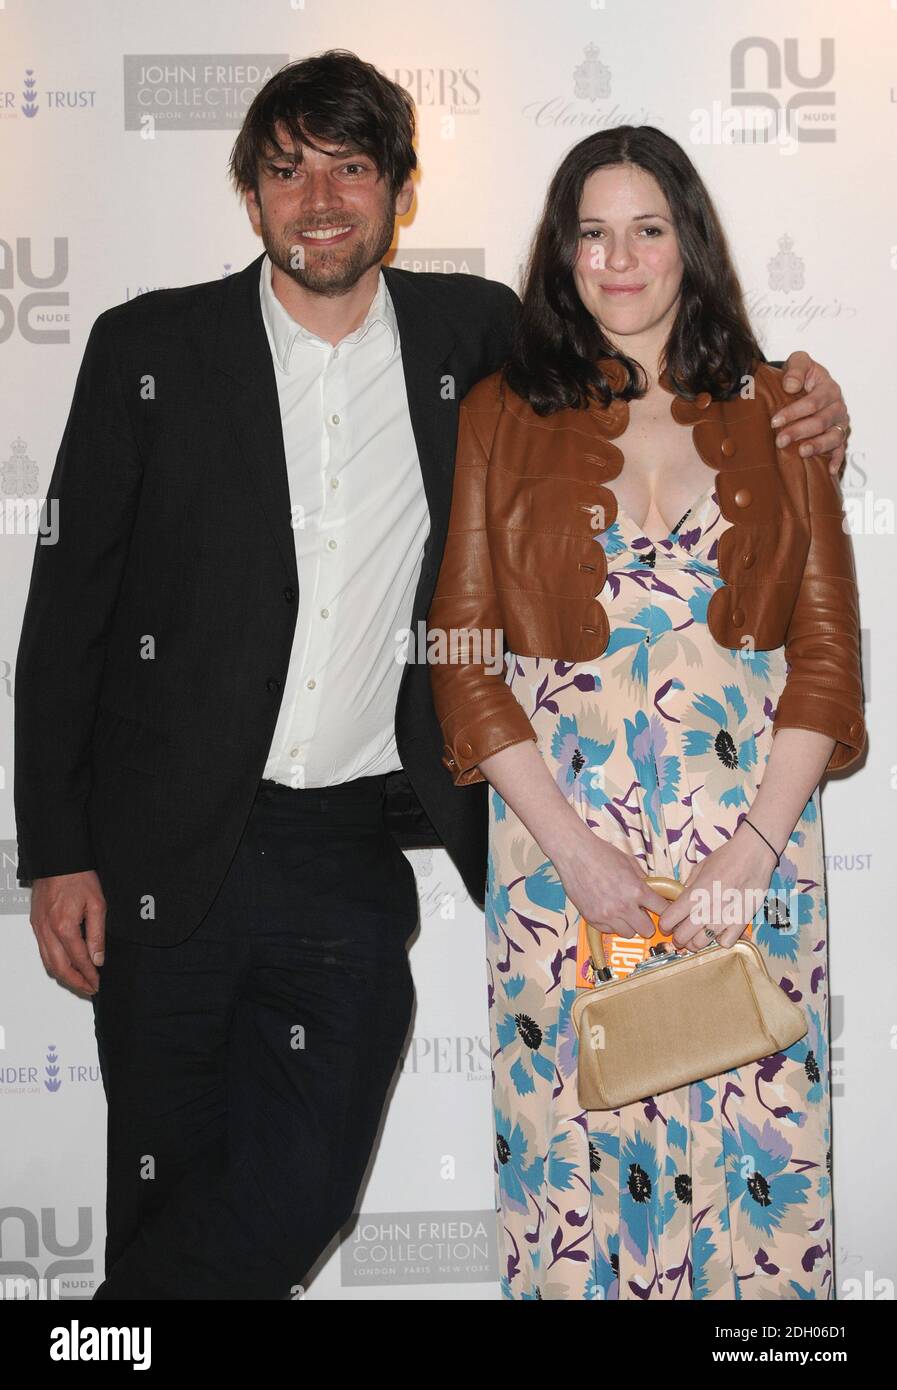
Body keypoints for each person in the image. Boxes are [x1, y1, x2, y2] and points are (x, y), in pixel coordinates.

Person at [13, 46, 848, 1299]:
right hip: (157, 855)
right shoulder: (151, 348)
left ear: (399, 191)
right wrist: (55, 847)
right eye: (288, 171)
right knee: (170, 1196)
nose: (322, 199)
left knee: (294, 1191)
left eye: (353, 168)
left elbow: (636, 341)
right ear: (250, 196)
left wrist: (814, 398)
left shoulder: (474, 344)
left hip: (344, 852)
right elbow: (66, 614)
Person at [427, 124, 865, 1301]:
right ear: (563, 254)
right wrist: (579, 860)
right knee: (574, 1186)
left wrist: (754, 848)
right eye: (593, 233)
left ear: (691, 244)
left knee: (761, 1184)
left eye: (649, 229)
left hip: (751, 859)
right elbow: (462, 656)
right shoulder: (498, 417)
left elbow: (826, 658)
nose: (620, 260)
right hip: (563, 864)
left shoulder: (786, 411)